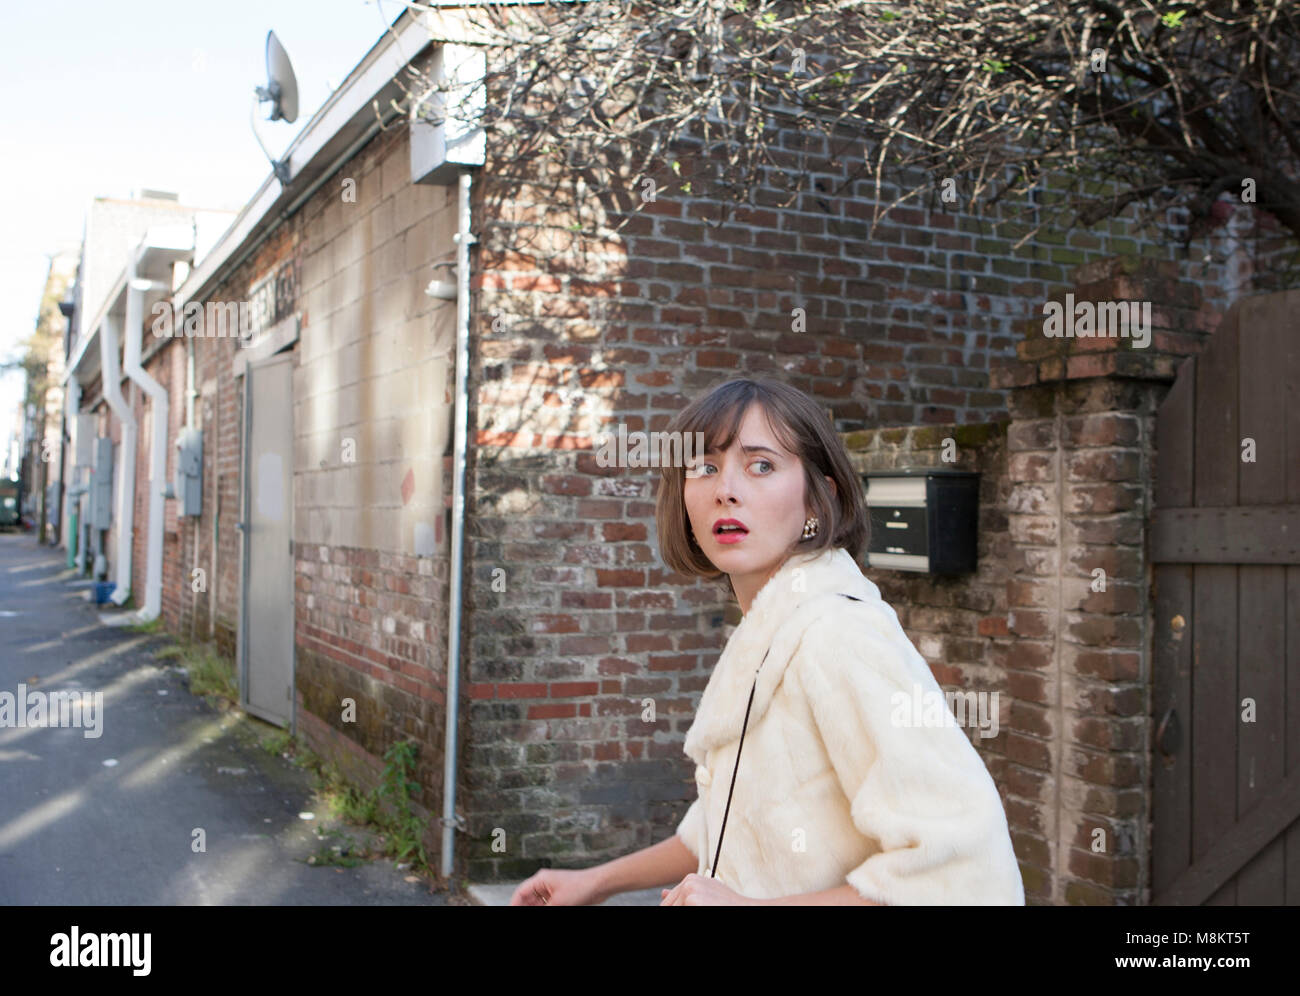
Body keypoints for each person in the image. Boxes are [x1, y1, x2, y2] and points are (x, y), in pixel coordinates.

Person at [511, 378, 1024, 906]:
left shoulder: (838, 635)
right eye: (705, 467)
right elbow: (729, 821)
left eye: (761, 465)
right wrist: (596, 881)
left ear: (818, 500)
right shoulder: (772, 627)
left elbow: (965, 872)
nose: (724, 489)